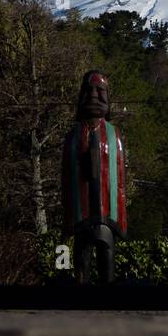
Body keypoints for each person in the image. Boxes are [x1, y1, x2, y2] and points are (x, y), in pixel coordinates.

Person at [60, 70, 129, 284]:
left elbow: (121, 180)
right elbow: (66, 180)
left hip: (108, 217)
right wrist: (68, 220)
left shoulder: (114, 134)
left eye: (100, 91)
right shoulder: (72, 136)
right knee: (82, 266)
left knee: (107, 266)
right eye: (88, 90)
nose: (93, 96)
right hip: (81, 217)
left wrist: (121, 220)